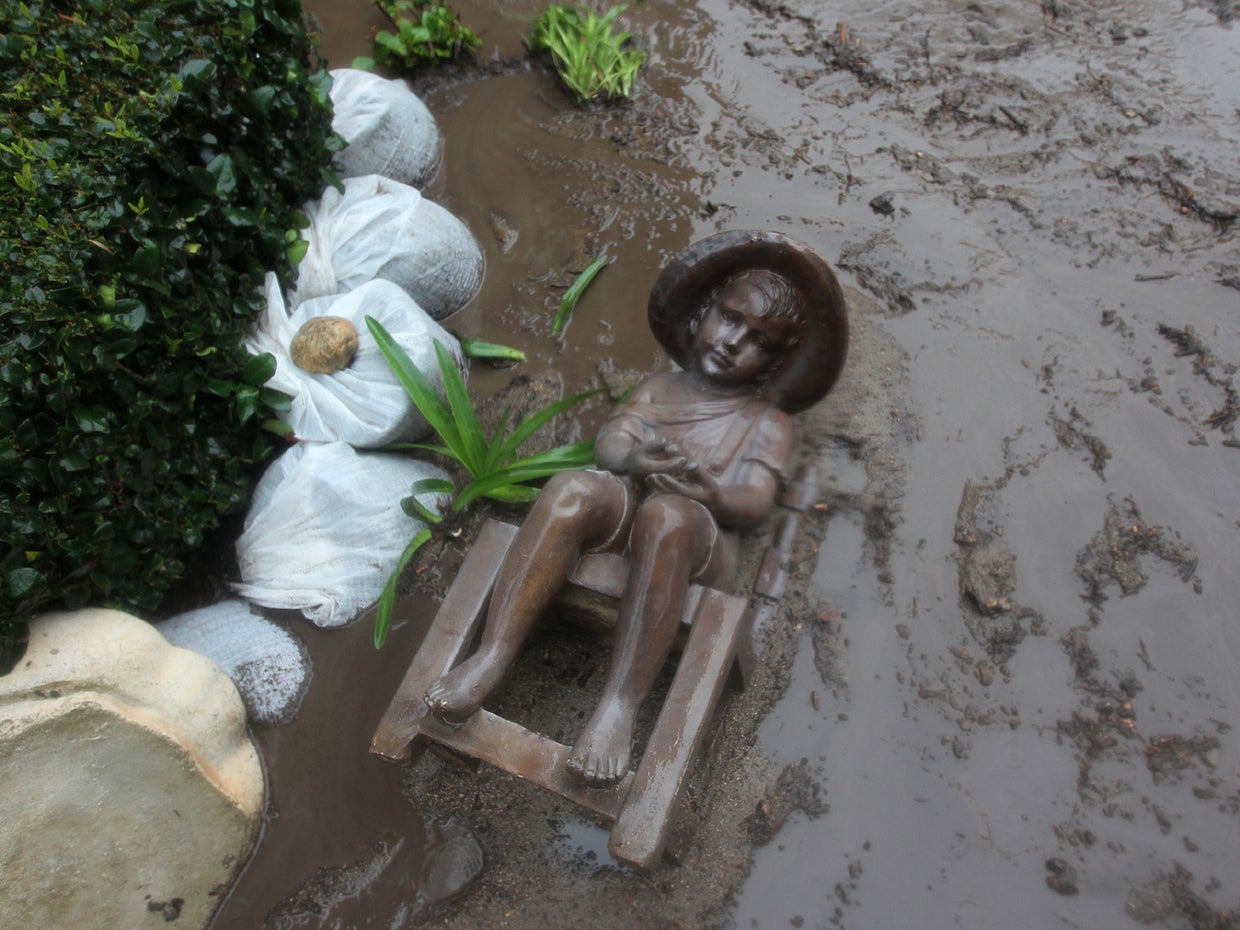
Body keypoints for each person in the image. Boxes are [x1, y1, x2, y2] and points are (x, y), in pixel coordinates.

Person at [426, 231, 848, 786]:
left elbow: (756, 500)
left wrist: (714, 493)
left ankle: (620, 704)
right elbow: (611, 445)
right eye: (729, 318)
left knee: (666, 516)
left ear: (774, 362)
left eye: (759, 341)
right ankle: (493, 654)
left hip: (699, 540)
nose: (734, 341)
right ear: (701, 315)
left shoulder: (767, 422)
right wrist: (635, 456)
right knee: (573, 488)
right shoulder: (659, 389)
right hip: (634, 503)